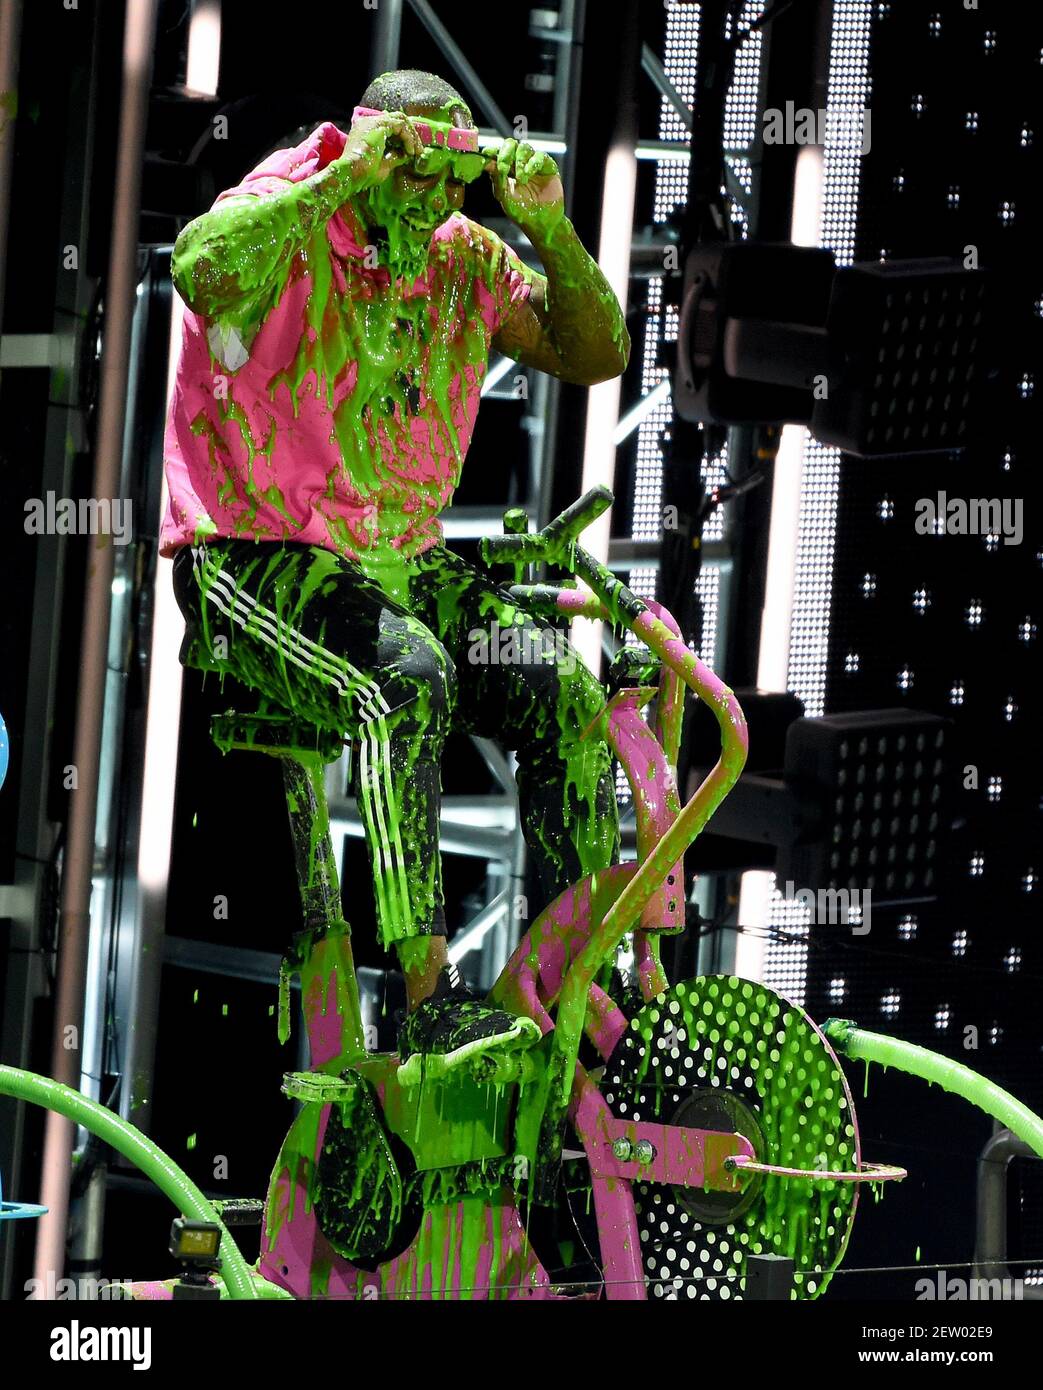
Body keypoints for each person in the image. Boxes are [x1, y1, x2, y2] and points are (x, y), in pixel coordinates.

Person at [162, 68, 629, 1083]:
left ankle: (563, 980)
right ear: (365, 154)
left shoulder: (461, 257)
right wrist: (339, 181)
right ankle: (423, 996)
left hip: (399, 566)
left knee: (567, 694)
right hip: (250, 558)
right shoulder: (291, 201)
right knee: (404, 680)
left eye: (451, 182)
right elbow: (197, 267)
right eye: (411, 175)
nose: (432, 203)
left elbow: (595, 353)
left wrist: (546, 226)